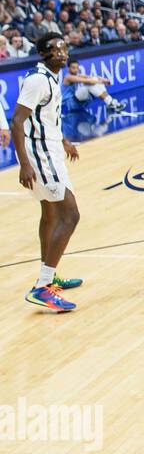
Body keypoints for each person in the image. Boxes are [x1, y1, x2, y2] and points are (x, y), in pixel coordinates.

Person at [10, 35, 84, 312]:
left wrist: (63, 141)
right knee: (70, 214)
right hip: (40, 156)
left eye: (65, 48)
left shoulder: (54, 75)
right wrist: (25, 163)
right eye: (56, 49)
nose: (62, 52)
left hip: (51, 150)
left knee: (50, 213)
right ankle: (42, 287)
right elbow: (17, 121)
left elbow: (48, 117)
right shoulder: (37, 79)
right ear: (43, 53)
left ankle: (49, 277)